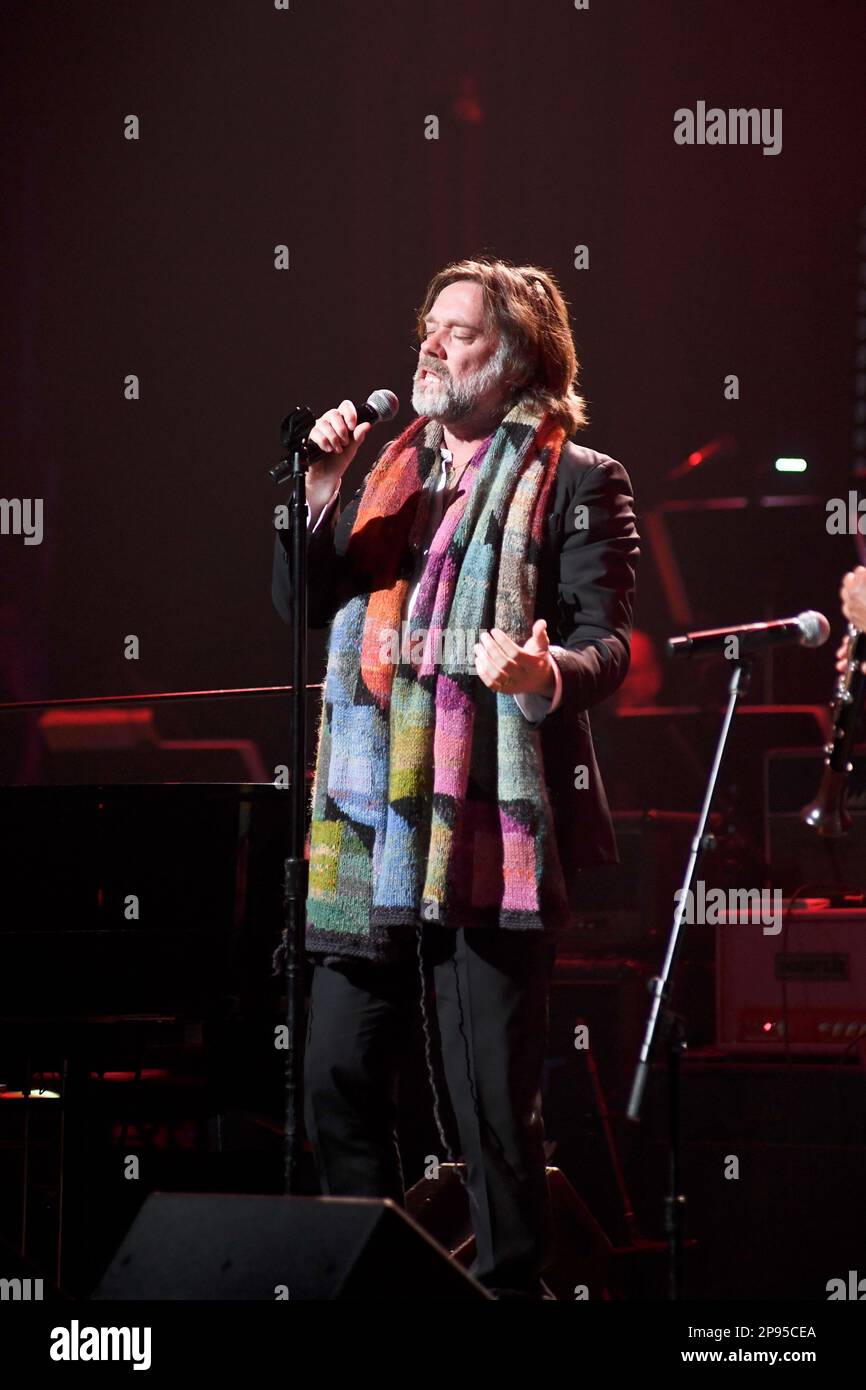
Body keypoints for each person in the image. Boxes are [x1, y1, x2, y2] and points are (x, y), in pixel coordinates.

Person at [271, 257, 639, 1299]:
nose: (429, 345)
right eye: (426, 327)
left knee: (485, 1105)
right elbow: (300, 605)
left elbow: (607, 642)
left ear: (516, 355)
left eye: (458, 332)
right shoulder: (386, 473)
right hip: (367, 823)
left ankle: (512, 1290)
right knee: (335, 1073)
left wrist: (543, 673)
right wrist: (314, 491)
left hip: (486, 825)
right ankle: (381, 1290)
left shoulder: (577, 478)